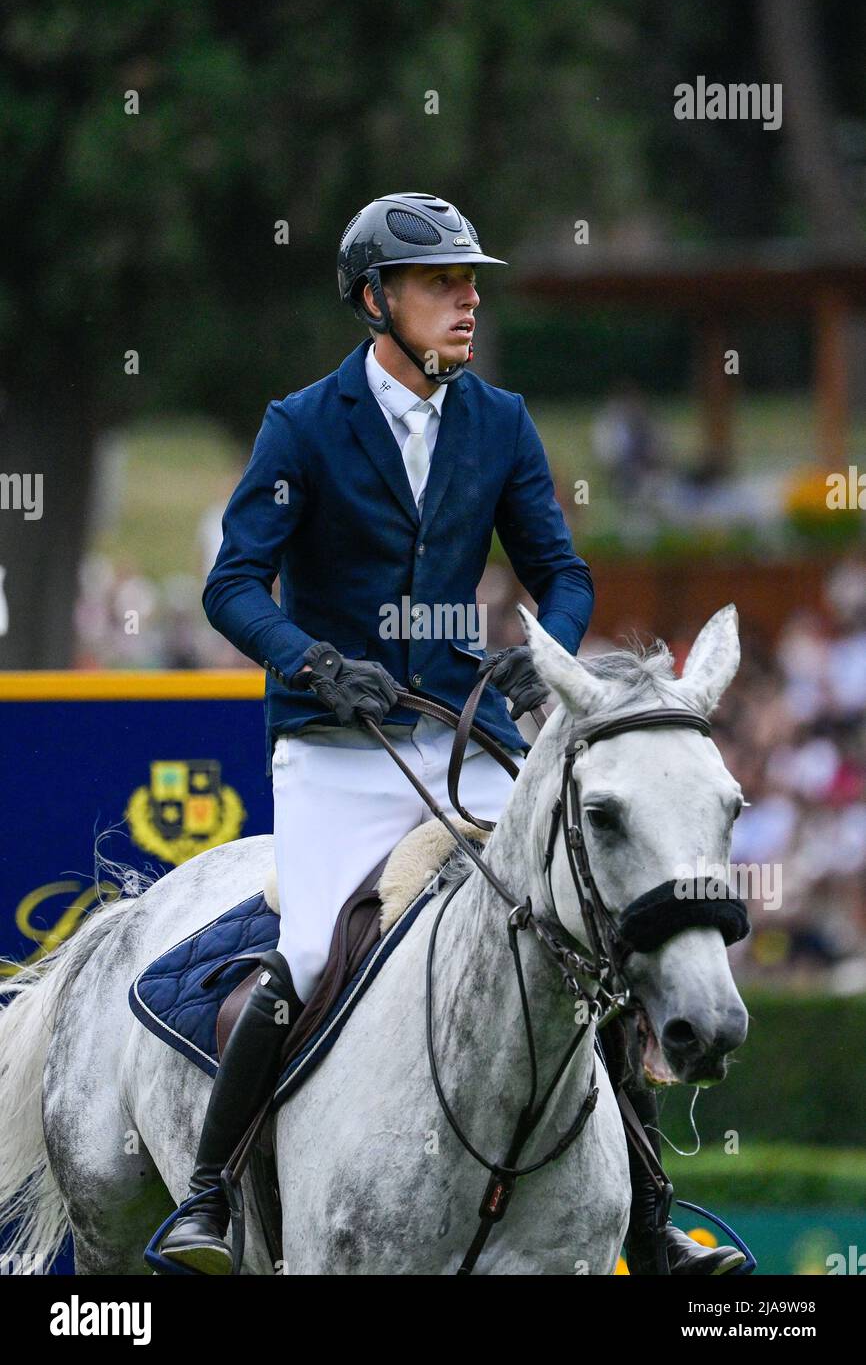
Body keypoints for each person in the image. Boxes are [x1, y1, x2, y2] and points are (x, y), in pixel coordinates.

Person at [156, 192, 741, 1276]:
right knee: (300, 952)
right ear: (375, 300)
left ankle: (651, 1218)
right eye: (441, 285)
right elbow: (232, 584)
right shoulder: (303, 423)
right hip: (335, 748)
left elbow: (561, 572)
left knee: (575, 953)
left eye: (472, 282)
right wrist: (308, 659)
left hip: (467, 739)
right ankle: (203, 1197)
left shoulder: (500, 421)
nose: (467, 301)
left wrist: (545, 650)